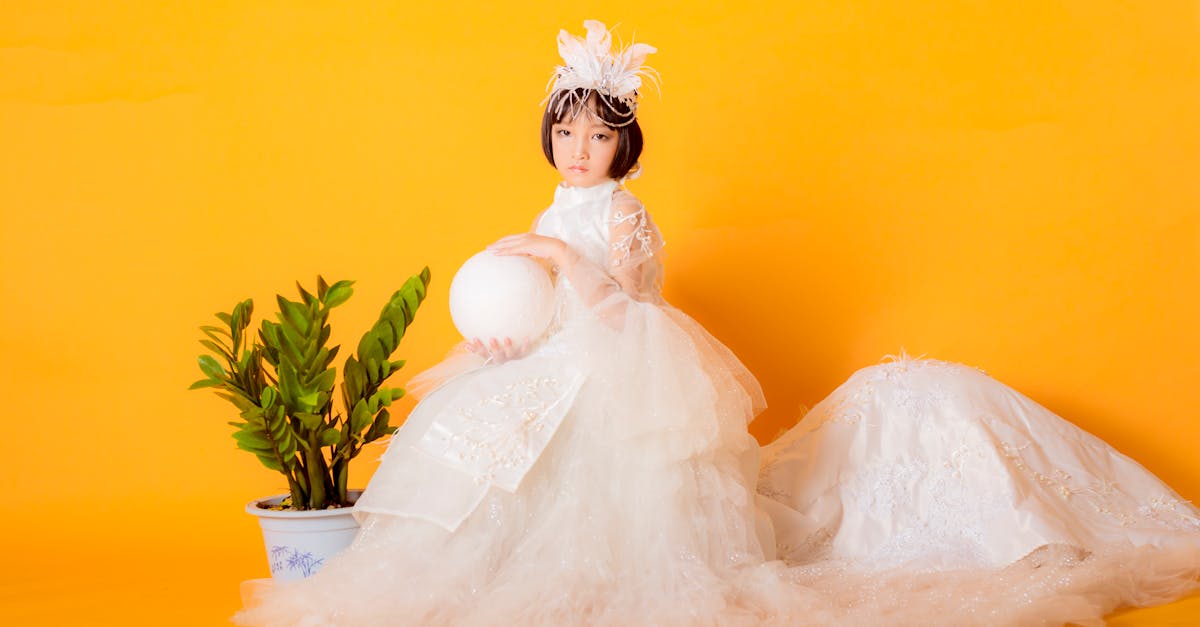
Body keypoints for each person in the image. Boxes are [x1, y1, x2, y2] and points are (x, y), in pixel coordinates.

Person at [233, 20, 1200, 626]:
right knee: (479, 455)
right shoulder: (545, 208)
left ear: (625, 142)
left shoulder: (620, 217)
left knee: (617, 511)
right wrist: (499, 334)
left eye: (598, 133)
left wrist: (567, 263)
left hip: (614, 368)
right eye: (566, 131)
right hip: (550, 361)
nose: (579, 148)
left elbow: (628, 309)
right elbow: (533, 307)